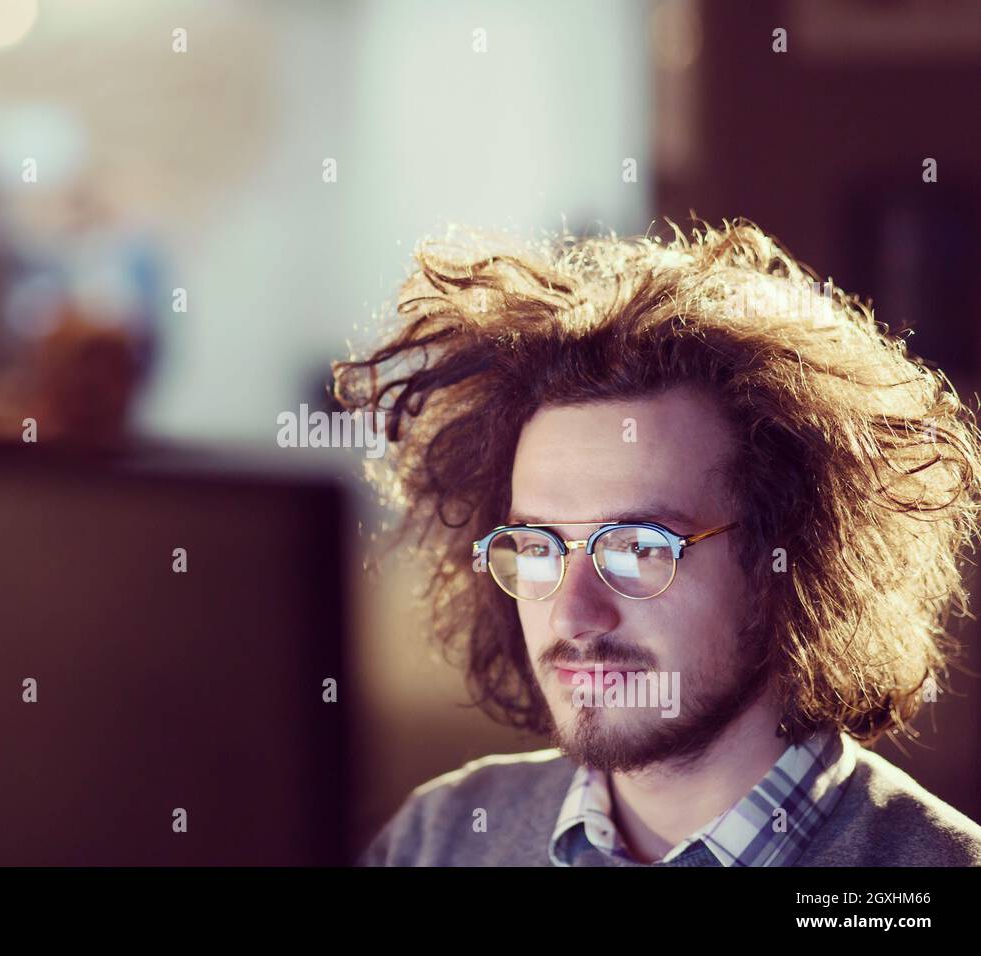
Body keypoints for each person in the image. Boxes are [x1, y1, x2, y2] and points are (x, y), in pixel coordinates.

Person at [335, 219, 981, 866]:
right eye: (538, 548)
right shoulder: (441, 839)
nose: (571, 613)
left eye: (640, 546)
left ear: (788, 557)